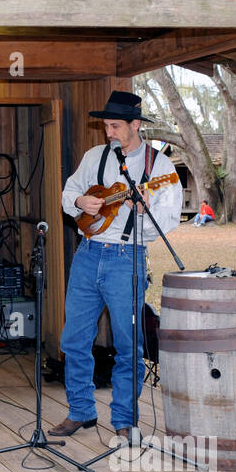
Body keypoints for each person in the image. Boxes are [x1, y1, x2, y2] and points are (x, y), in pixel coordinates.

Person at [53, 91, 182, 444]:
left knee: (129, 345)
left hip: (127, 258)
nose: (108, 132)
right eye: (106, 125)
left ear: (135, 125)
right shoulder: (95, 156)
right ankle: (80, 411)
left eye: (114, 126)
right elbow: (69, 193)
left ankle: (125, 419)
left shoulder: (160, 168)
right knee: (74, 339)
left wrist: (146, 213)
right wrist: (80, 201)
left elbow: (170, 217)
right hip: (87, 253)